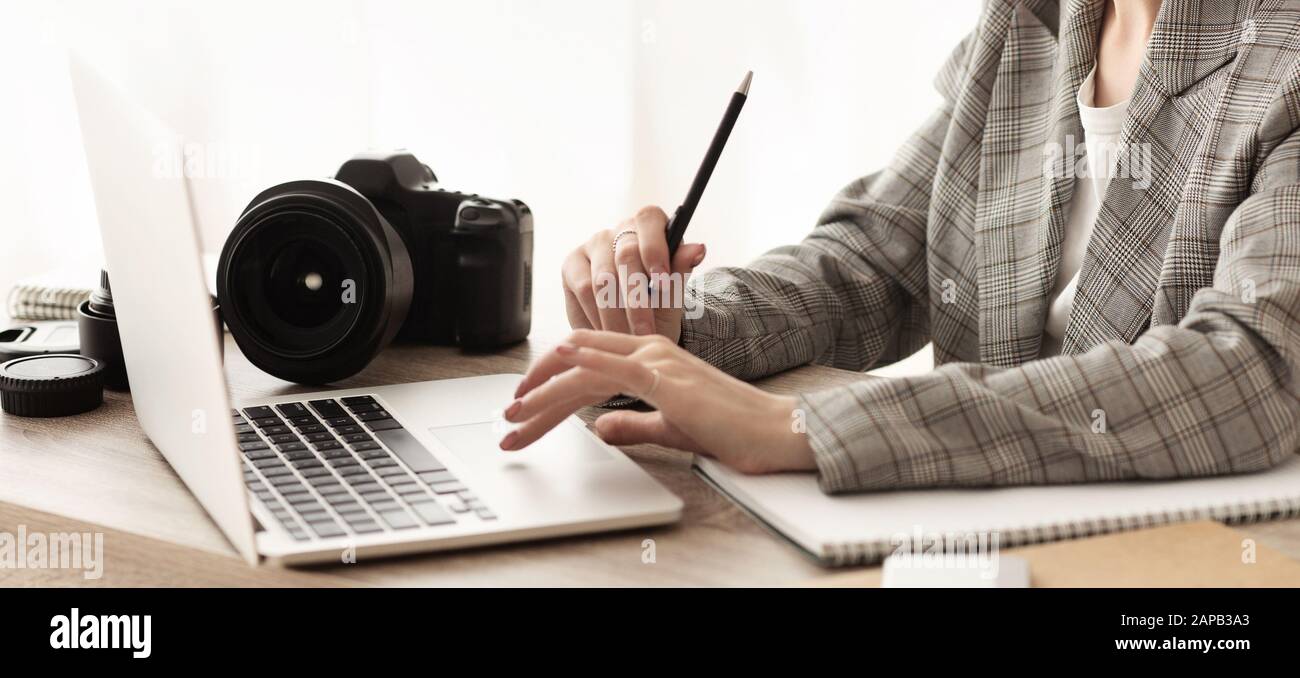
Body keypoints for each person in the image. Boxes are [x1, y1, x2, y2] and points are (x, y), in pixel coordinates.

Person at [501, 0, 1300, 493]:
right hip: (973, 541)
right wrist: (677, 327)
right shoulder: (1032, 18)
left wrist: (810, 428)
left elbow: (1253, 372)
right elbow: (876, 261)